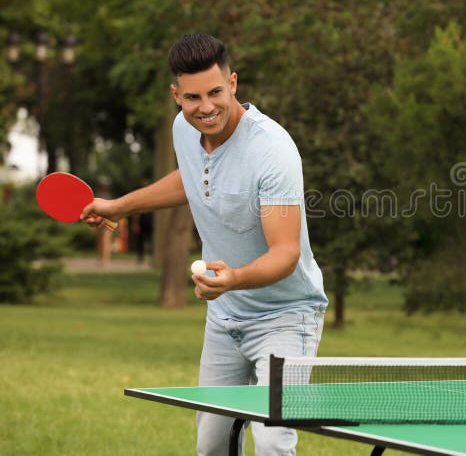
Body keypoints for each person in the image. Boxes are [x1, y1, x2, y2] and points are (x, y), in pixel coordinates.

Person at [81, 33, 328, 456]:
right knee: (212, 445)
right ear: (177, 95)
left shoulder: (272, 152)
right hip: (225, 318)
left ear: (232, 83)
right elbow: (193, 178)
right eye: (193, 97)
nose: (206, 107)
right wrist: (121, 206)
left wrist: (233, 279)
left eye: (215, 92)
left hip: (286, 317)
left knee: (271, 441)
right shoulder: (184, 128)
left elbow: (286, 254)